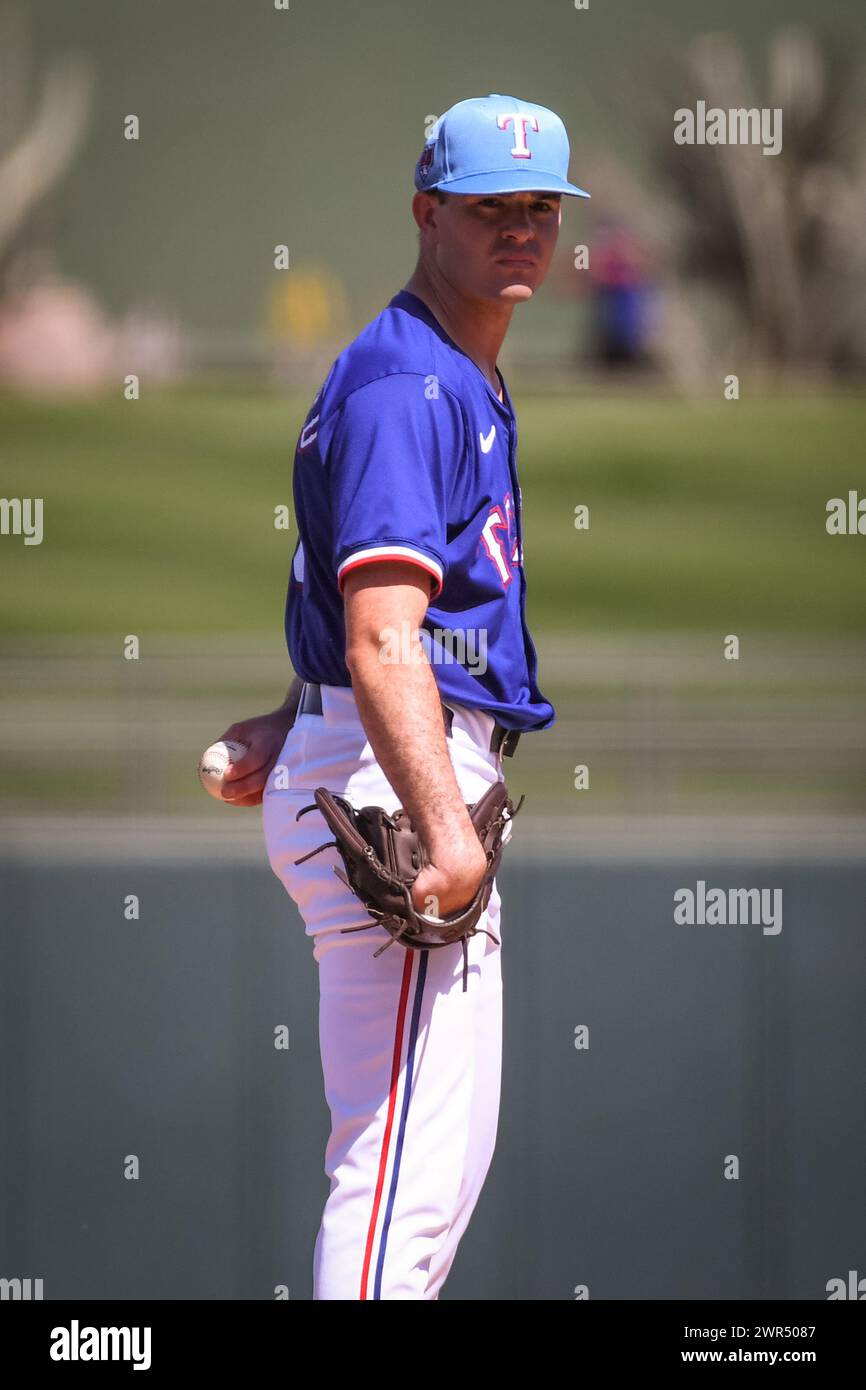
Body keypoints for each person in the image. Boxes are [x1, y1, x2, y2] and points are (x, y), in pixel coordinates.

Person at [216, 94, 589, 1300]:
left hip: (377, 747)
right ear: (427, 212)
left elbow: (364, 619)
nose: (521, 229)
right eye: (491, 207)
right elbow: (385, 642)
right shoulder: (406, 384)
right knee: (397, 1180)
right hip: (395, 779)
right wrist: (440, 833)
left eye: (539, 208)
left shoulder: (444, 367)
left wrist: (290, 707)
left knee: (438, 1162)